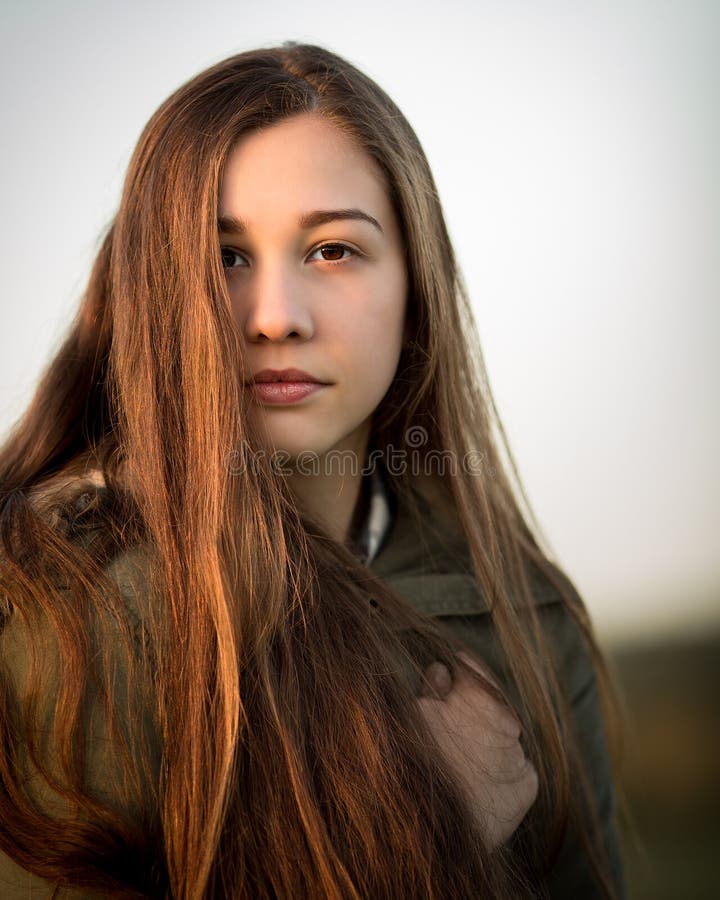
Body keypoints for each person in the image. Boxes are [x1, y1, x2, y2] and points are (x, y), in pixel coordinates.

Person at [0, 43, 624, 898]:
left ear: (416, 289)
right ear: (153, 295)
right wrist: (428, 839)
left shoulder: (527, 620)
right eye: (224, 257)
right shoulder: (57, 613)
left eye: (333, 250)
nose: (276, 318)